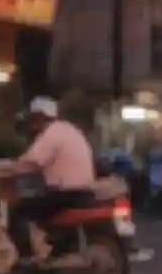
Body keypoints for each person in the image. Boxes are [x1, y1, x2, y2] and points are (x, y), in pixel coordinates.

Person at [9, 97, 96, 262]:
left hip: (66, 192)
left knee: (19, 210)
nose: (31, 123)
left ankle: (26, 256)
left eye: (33, 118)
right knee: (41, 205)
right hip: (83, 191)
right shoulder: (70, 129)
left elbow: (32, 162)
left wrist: (10, 169)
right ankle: (56, 246)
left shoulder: (50, 133)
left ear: (39, 117)